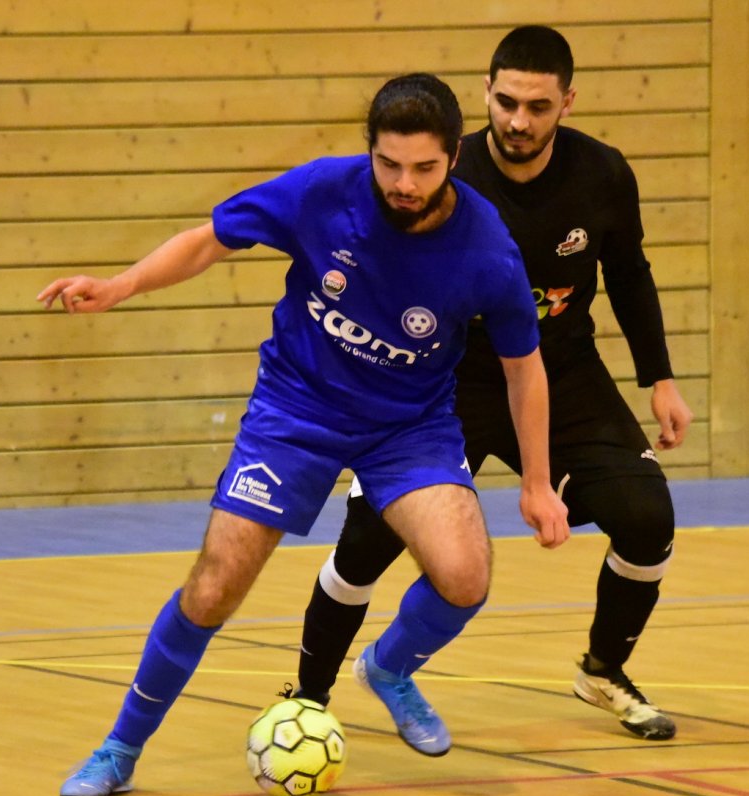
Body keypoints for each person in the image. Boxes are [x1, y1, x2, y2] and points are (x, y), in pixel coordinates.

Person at [38, 72, 570, 796]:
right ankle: (120, 746)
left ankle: (387, 667)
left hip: (408, 425)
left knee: (465, 575)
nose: (404, 183)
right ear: (371, 153)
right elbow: (209, 240)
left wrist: (537, 482)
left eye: (422, 167)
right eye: (389, 164)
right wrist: (120, 285)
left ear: (453, 156)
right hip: (298, 408)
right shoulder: (323, 192)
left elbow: (524, 369)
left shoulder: (487, 250)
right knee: (216, 583)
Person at [293, 25, 692, 745]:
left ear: (567, 102)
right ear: (485, 92)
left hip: (560, 373)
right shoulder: (447, 177)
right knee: (365, 542)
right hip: (446, 384)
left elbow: (629, 275)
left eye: (537, 106)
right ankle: (308, 696)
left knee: (647, 519)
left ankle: (603, 668)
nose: (518, 120)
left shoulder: (603, 175)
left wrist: (659, 378)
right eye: (505, 101)